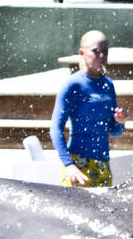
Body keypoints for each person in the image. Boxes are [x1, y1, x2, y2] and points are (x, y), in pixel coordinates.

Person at [49, 30, 127, 187]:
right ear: (81, 52)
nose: (101, 56)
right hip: (78, 166)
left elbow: (114, 131)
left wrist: (120, 122)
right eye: (95, 51)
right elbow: (55, 128)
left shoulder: (107, 85)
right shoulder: (73, 84)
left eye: (104, 51)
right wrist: (68, 165)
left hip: (103, 165)